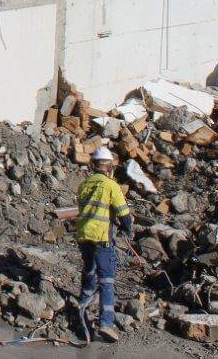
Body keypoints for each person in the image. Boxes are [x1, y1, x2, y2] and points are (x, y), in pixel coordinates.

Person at [75, 145, 132, 343]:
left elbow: (86, 211)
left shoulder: (84, 185)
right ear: (109, 167)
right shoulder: (110, 185)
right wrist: (127, 229)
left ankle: (81, 309)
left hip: (84, 236)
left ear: (93, 165)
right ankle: (106, 323)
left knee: (89, 271)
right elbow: (124, 214)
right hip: (102, 238)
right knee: (106, 280)